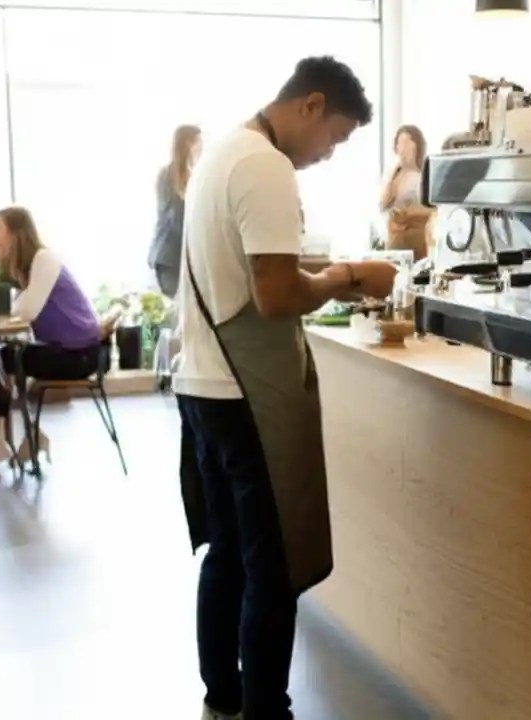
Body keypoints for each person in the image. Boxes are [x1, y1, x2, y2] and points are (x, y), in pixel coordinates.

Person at [176, 56, 397, 720]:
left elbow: (251, 271)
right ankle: (267, 710)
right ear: (311, 104)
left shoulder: (222, 153)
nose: (329, 152)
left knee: (228, 556)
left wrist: (327, 272)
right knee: (272, 568)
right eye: (336, 136)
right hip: (246, 396)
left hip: (202, 385)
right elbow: (274, 295)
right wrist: (347, 278)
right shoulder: (265, 165)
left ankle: (224, 696)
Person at [0, 206, 102, 468]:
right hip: (62, 350)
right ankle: (24, 436)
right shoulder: (24, 269)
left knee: (2, 358)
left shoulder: (44, 259)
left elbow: (25, 311)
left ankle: (1, 439)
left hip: (79, 355)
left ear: (15, 233)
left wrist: (3, 305)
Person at [150, 124, 202, 299]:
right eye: (199, 142)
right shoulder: (167, 175)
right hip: (170, 259)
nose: (202, 147)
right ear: (188, 143)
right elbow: (175, 215)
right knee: (181, 305)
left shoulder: (192, 175)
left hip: (181, 257)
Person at [378, 124, 432, 261]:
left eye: (407, 143)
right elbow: (382, 204)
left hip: (420, 240)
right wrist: (394, 174)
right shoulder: (392, 175)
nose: (403, 149)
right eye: (400, 144)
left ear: (417, 147)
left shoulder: (424, 174)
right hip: (397, 240)